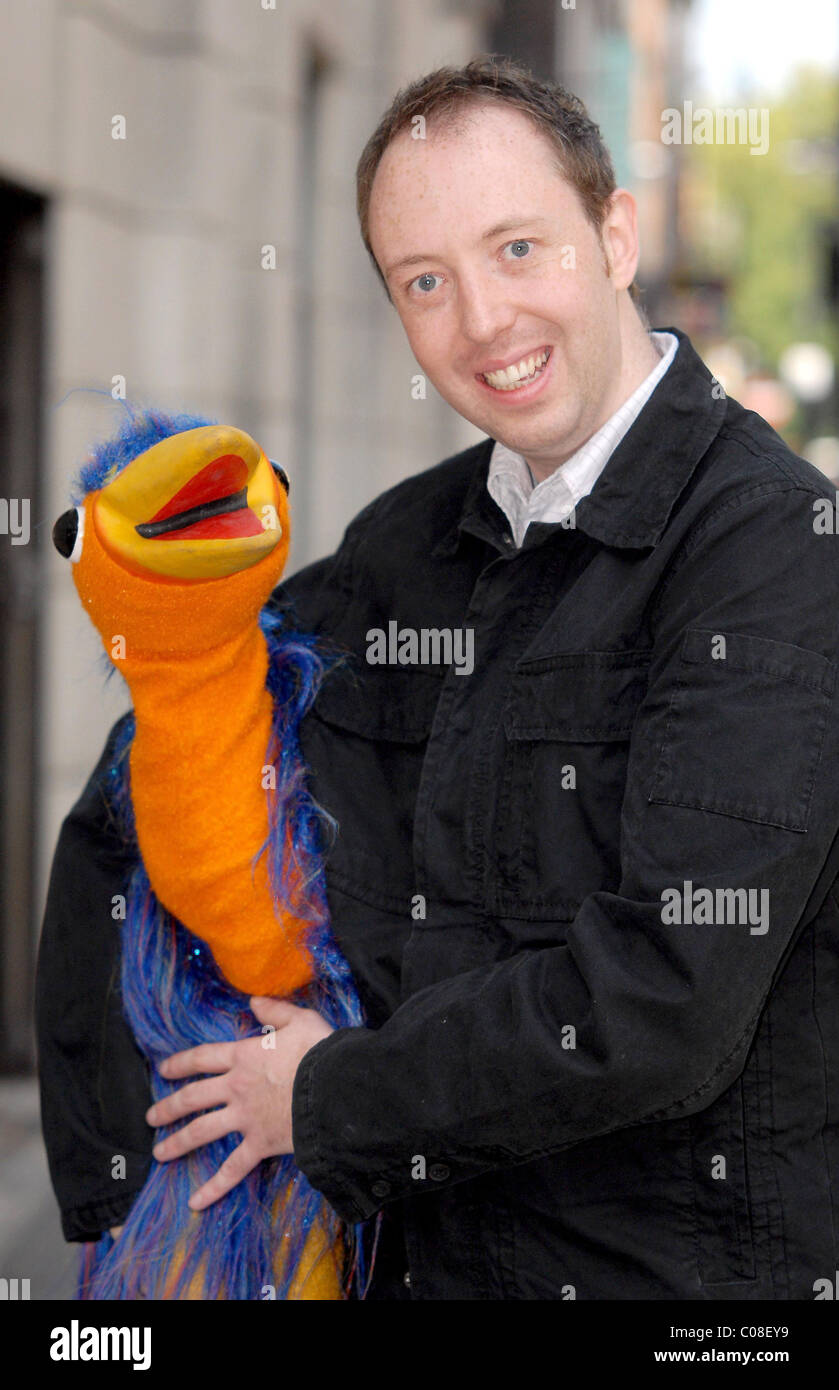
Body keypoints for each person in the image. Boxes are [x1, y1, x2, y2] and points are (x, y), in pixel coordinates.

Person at [36, 55, 839, 1300]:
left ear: (615, 235)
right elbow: (164, 755)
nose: (480, 322)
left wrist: (325, 1097)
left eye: (517, 249)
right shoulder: (401, 546)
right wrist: (105, 1163)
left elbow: (663, 997)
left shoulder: (768, 552)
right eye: (425, 281)